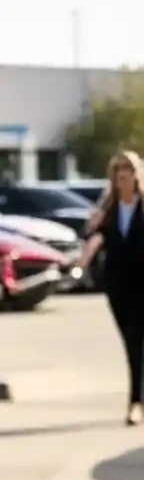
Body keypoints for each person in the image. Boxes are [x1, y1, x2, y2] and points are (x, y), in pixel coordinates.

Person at [82, 150, 144, 426]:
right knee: (130, 340)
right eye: (118, 171)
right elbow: (96, 237)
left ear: (136, 174)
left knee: (136, 341)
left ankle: (135, 402)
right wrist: (88, 246)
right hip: (117, 282)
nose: (123, 176)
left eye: (127, 170)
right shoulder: (108, 208)